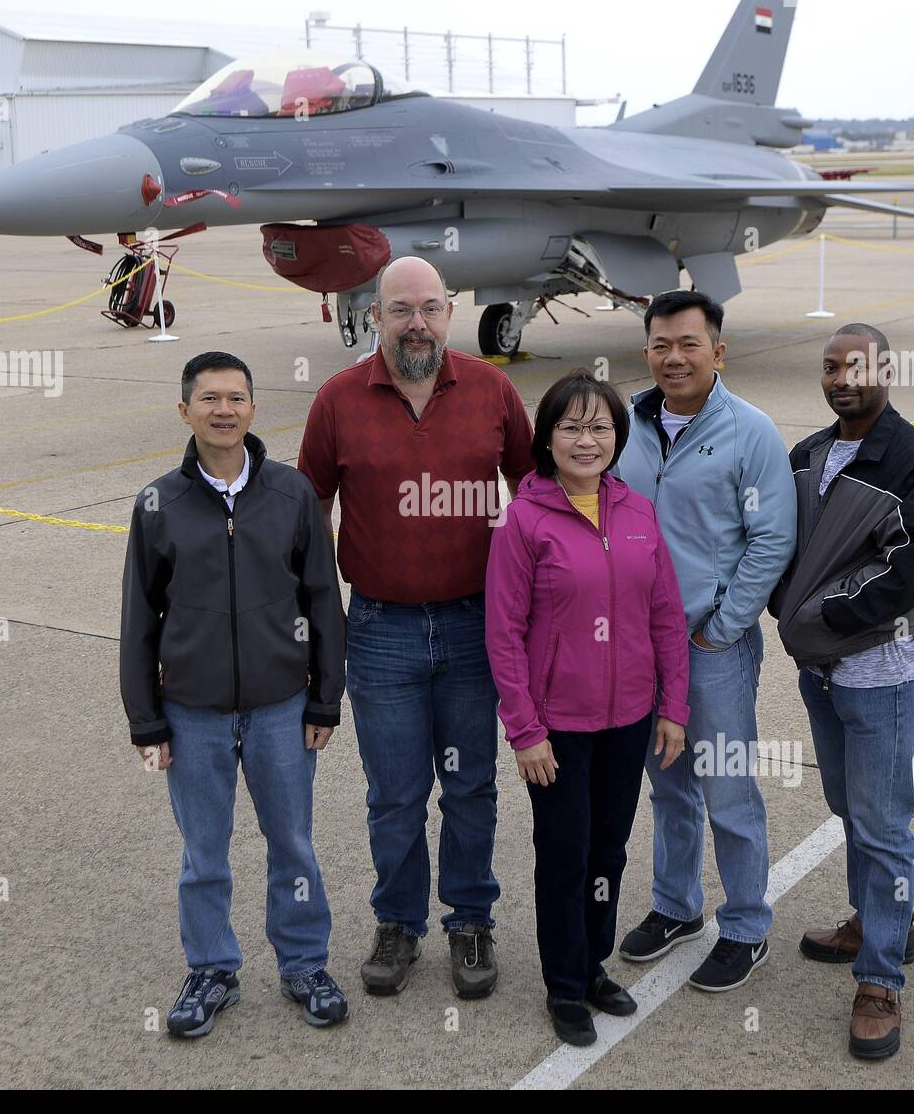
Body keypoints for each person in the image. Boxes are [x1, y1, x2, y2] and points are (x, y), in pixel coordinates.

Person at [297, 257, 535, 999]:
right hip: (380, 630)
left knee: (469, 787)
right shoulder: (337, 401)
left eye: (431, 308)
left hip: (473, 629)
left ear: (450, 312)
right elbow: (305, 519)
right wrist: (313, 633)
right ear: (375, 316)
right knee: (394, 793)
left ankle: (470, 921)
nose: (418, 324)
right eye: (402, 310)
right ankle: (399, 922)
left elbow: (534, 494)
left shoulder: (492, 390)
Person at [120, 351, 348, 1037]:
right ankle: (213, 968)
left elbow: (321, 597)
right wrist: (146, 722)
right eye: (210, 398)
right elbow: (140, 617)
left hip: (282, 709)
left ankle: (305, 962)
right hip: (193, 716)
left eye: (237, 397)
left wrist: (324, 699)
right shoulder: (158, 503)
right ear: (185, 410)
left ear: (253, 408)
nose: (225, 410)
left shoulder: (291, 494)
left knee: (294, 846)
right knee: (203, 855)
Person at [486, 371, 690, 1046]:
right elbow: (504, 633)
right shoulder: (525, 518)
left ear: (616, 438)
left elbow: (664, 615)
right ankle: (564, 985)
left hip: (628, 719)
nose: (586, 439)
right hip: (558, 730)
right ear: (546, 439)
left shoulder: (635, 512)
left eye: (599, 427)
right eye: (570, 427)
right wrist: (524, 730)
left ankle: (594, 963)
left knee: (609, 850)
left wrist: (673, 707)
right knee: (565, 854)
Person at [769, 323, 914, 1059]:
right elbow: (782, 544)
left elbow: (906, 575)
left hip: (884, 674)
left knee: (883, 825)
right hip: (823, 673)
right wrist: (788, 603)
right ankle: (877, 922)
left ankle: (881, 980)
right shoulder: (810, 453)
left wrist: (819, 619)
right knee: (849, 807)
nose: (843, 377)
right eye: (831, 366)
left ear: (886, 369)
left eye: (858, 365)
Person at [614, 290, 796, 991]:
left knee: (728, 790)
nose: (673, 357)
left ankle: (746, 925)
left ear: (718, 351)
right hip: (641, 648)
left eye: (688, 344)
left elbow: (772, 537)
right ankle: (676, 907)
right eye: (661, 344)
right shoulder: (626, 424)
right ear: (647, 352)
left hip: (710, 648)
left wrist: (724, 626)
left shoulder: (750, 432)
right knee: (668, 786)